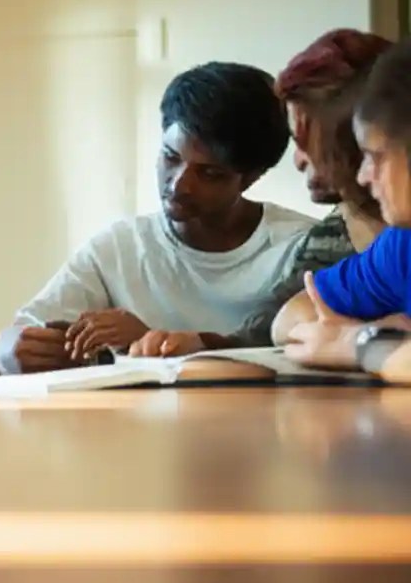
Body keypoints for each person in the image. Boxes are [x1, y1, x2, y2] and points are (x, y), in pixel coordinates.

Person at [0, 62, 312, 374]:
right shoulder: (119, 248)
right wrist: (11, 351)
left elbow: (304, 355)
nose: (179, 184)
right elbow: (19, 332)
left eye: (210, 173)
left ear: (251, 178)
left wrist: (151, 342)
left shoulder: (301, 247)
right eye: (170, 158)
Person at [135, 29, 392, 357]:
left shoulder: (394, 241)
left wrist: (361, 345)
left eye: (306, 141)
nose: (298, 161)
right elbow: (282, 321)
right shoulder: (355, 241)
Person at [277, 40, 411, 383]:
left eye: (375, 156)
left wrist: (358, 344)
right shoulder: (401, 247)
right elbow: (290, 319)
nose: (364, 175)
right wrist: (377, 334)